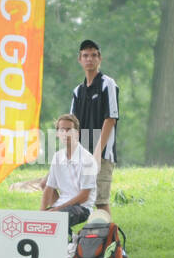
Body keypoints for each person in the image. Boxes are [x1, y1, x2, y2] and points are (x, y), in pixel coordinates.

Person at [70, 39, 119, 215]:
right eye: (85, 55)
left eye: (93, 55)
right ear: (80, 60)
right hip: (80, 154)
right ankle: (83, 239)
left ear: (100, 59)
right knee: (75, 197)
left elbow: (110, 119)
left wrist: (97, 154)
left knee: (100, 201)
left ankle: (110, 241)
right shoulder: (78, 91)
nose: (89, 59)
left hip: (102, 154)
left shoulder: (108, 84)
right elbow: (72, 125)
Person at [40, 113, 97, 232]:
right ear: (57, 134)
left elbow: (84, 196)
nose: (65, 134)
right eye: (62, 130)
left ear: (77, 133)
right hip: (62, 205)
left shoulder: (88, 159)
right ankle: (69, 242)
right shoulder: (57, 157)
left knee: (56, 218)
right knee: (41, 223)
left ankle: (71, 244)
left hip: (82, 207)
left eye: (69, 130)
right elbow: (48, 188)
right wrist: (41, 214)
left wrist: (56, 209)